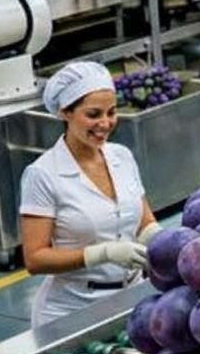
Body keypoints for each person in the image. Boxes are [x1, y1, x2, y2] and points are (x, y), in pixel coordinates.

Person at [20, 62, 161, 330]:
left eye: (112, 112)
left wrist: (166, 241)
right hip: (72, 311)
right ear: (66, 113)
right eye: (93, 114)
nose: (105, 124)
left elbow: (144, 222)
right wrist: (102, 253)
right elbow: (35, 259)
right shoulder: (43, 174)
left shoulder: (121, 156)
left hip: (133, 298)